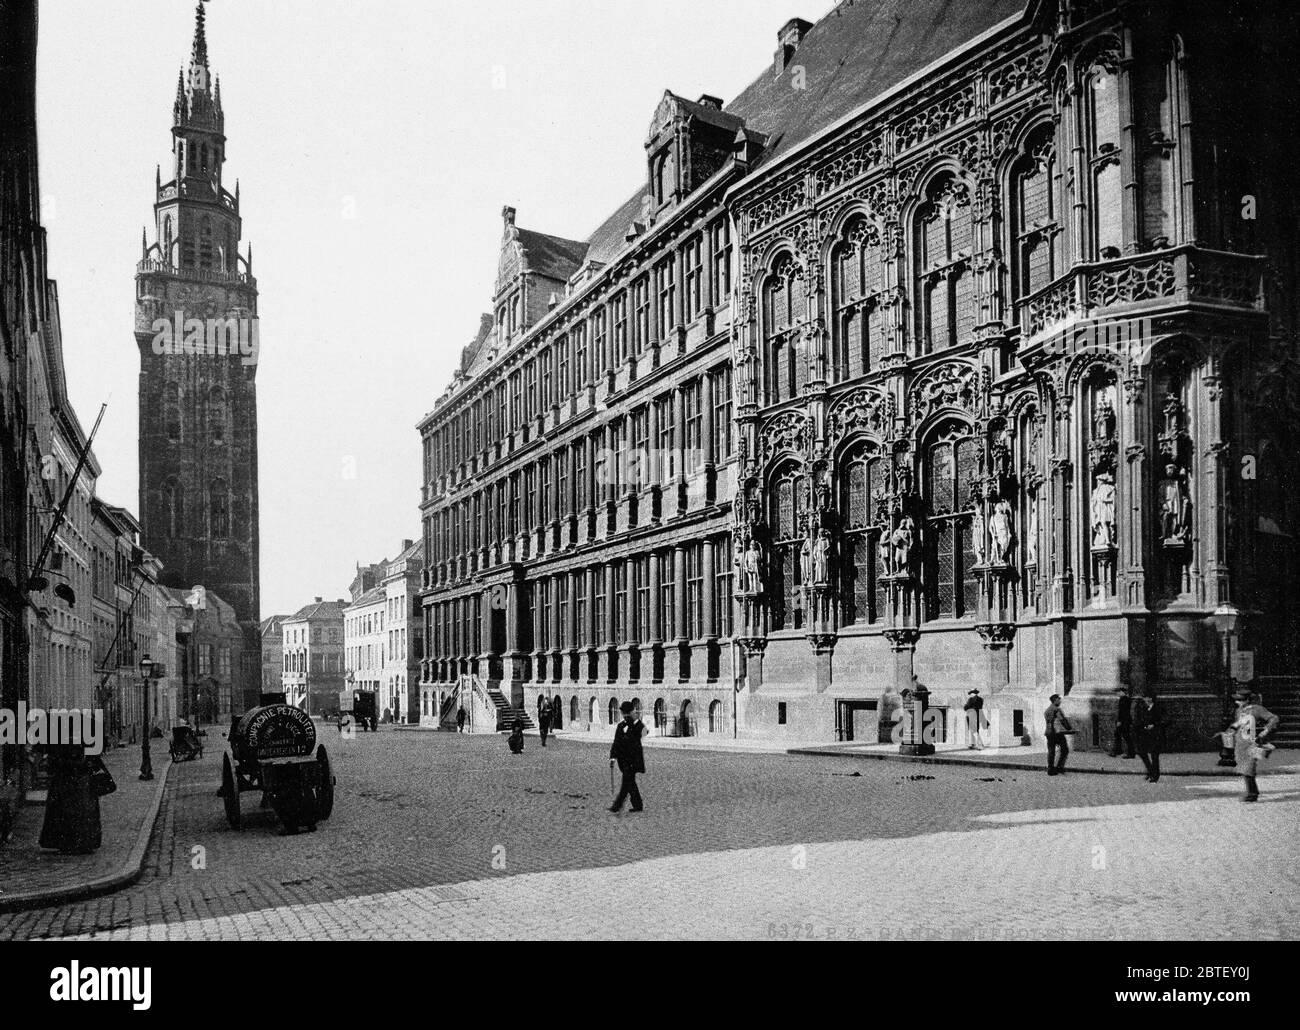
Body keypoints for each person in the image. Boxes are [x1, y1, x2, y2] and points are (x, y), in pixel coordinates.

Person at [1227, 686, 1279, 802]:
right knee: (1244, 768)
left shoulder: (1258, 709)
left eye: (1239, 700)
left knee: (1249, 768)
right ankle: (1252, 792)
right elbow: (1239, 723)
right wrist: (1232, 729)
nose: (1237, 702)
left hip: (1251, 742)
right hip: (1240, 744)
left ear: (1246, 700)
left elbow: (1274, 718)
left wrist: (1266, 730)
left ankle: (1252, 794)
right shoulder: (1239, 710)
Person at [609, 701, 647, 813]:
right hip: (623, 761)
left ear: (630, 713)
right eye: (623, 713)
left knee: (626, 784)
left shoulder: (636, 725)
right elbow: (616, 743)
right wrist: (612, 757)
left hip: (633, 760)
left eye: (626, 713)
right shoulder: (620, 726)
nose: (624, 715)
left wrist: (636, 720)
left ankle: (617, 806)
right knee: (630, 783)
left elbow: (645, 732)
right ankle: (638, 805)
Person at [1133, 690, 1167, 782]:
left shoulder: (1158, 708)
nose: (1144, 700)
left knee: (1154, 755)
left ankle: (1155, 776)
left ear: (1151, 698)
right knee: (1141, 752)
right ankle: (1150, 771)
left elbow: (1165, 721)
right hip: (1145, 735)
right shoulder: (1144, 708)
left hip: (1156, 735)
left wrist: (1154, 725)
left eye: (1146, 698)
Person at [1043, 694, 1072, 775]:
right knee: (1065, 750)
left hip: (1048, 732)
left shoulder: (1047, 710)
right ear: (1055, 700)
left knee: (1051, 751)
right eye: (1059, 699)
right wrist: (1069, 728)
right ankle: (1059, 767)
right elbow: (1062, 720)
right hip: (1056, 733)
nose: (1060, 701)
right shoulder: (1056, 709)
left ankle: (1050, 769)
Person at [1109, 685, 1135, 758]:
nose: (1117, 694)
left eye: (1118, 692)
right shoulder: (1123, 699)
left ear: (1122, 692)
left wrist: (1120, 721)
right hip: (1124, 721)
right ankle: (1118, 751)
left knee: (1126, 737)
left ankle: (1130, 753)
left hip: (1124, 721)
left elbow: (1124, 712)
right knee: (1118, 735)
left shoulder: (1125, 700)